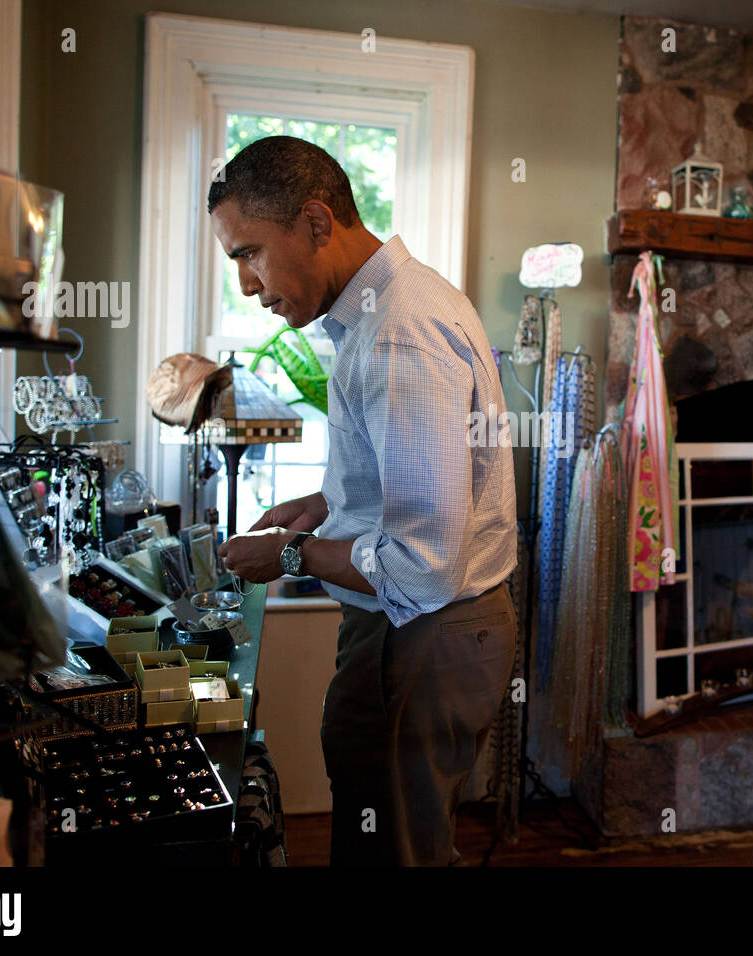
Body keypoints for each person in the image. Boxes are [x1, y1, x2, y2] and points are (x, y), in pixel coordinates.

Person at [210, 136, 518, 866]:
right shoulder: (401, 302)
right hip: (435, 632)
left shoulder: (397, 333)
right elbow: (423, 469)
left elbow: (423, 565)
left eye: (249, 253)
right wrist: (328, 502)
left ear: (318, 223)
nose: (248, 285)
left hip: (420, 632)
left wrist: (288, 554)